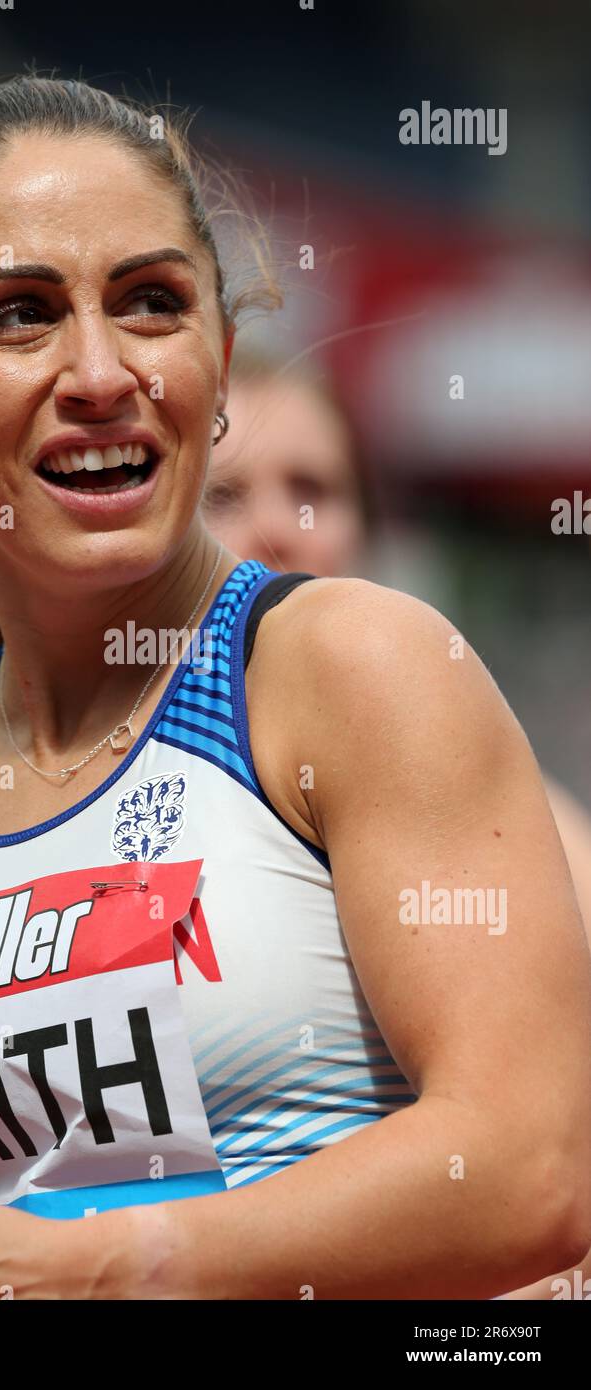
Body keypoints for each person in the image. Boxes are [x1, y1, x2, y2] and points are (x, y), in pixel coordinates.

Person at [0, 73, 591, 1301]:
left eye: (151, 302)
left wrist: (97, 1264)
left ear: (218, 358)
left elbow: (526, 1170)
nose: (100, 370)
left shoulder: (348, 668)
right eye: (18, 314)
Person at [206, 341, 591, 1300]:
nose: (273, 527)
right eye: (226, 493)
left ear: (370, 533)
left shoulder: (523, 824)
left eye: (313, 490)